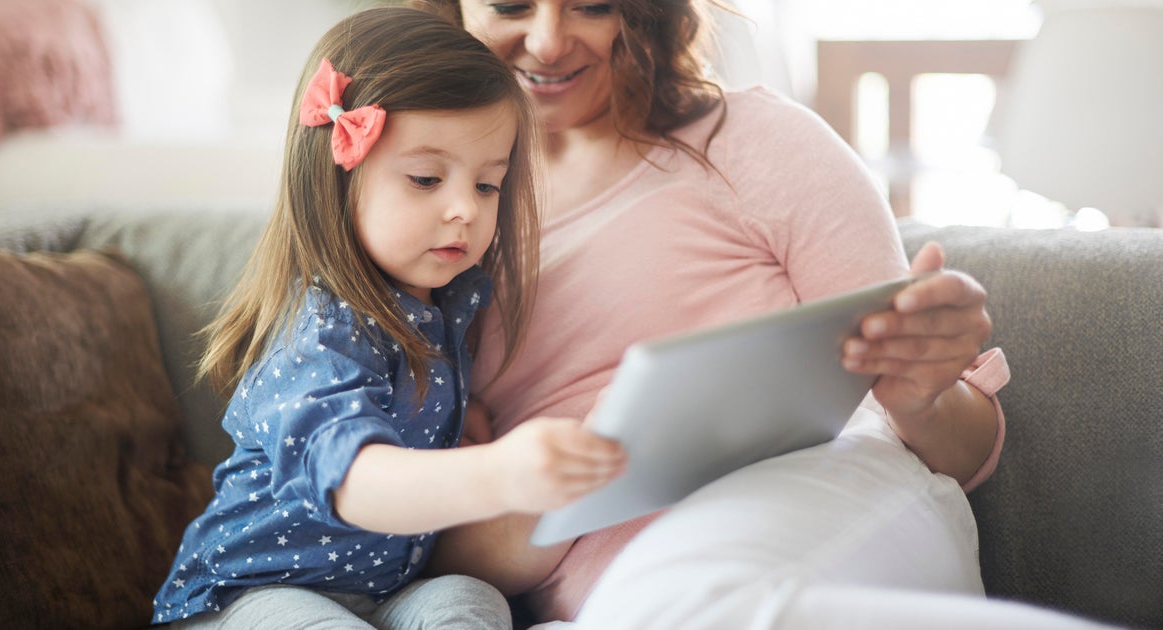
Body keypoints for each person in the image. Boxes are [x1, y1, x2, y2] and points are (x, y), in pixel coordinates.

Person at [396, 0, 1101, 627]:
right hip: (614, 593)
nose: (548, 42)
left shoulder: (755, 140)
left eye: (593, 6)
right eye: (511, 5)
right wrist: (552, 488)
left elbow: (961, 448)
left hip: (823, 501)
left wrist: (923, 397)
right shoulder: (418, 214)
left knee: (711, 604)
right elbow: (414, 535)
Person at [151, 7, 627, 628]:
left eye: (487, 185)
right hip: (247, 593)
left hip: (383, 589)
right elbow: (356, 481)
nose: (465, 209)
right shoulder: (319, 329)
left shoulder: (451, 305)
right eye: (427, 179)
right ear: (336, 176)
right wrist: (500, 473)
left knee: (473, 604)